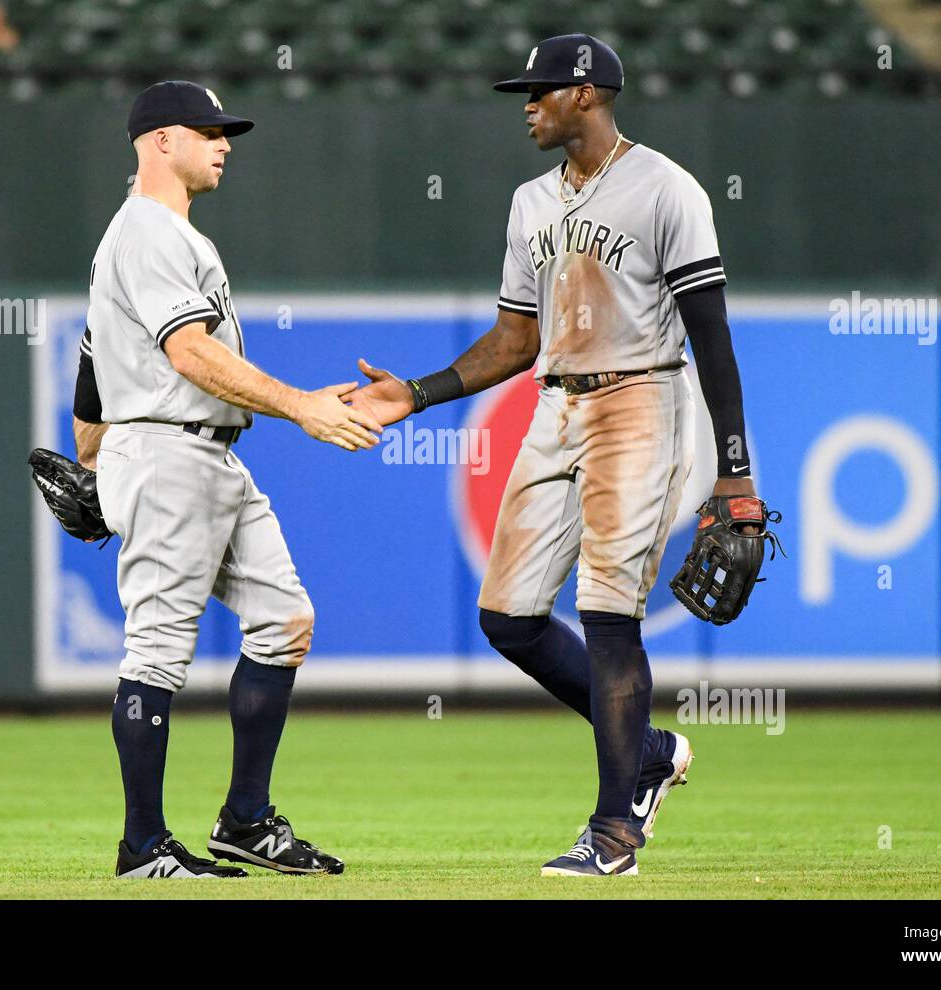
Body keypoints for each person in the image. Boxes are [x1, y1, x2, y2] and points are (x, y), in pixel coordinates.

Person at [347, 34, 762, 877]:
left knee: (609, 613)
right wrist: (416, 393)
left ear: (587, 94)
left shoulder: (666, 188)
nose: (527, 105)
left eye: (539, 90)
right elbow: (513, 340)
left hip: (643, 401)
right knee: (507, 619)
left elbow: (713, 337)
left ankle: (615, 833)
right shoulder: (530, 202)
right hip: (556, 402)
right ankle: (645, 752)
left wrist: (736, 470)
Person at [75, 80, 381, 878]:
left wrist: (88, 454)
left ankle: (245, 819)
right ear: (159, 141)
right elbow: (190, 355)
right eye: (208, 129)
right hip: (170, 451)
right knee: (158, 653)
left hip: (202, 455)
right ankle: (142, 845)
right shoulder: (145, 230)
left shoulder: (168, 235)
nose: (225, 142)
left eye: (225, 130)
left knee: (285, 620)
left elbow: (90, 356)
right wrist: (300, 406)